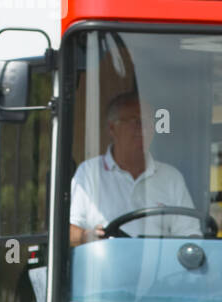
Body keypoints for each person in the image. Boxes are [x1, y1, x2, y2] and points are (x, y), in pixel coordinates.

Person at [70, 90, 202, 244]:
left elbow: (190, 236)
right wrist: (86, 236)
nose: (144, 129)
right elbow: (70, 230)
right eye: (136, 121)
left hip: (162, 267)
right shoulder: (90, 172)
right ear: (112, 128)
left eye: (149, 122)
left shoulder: (171, 177)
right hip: (106, 266)